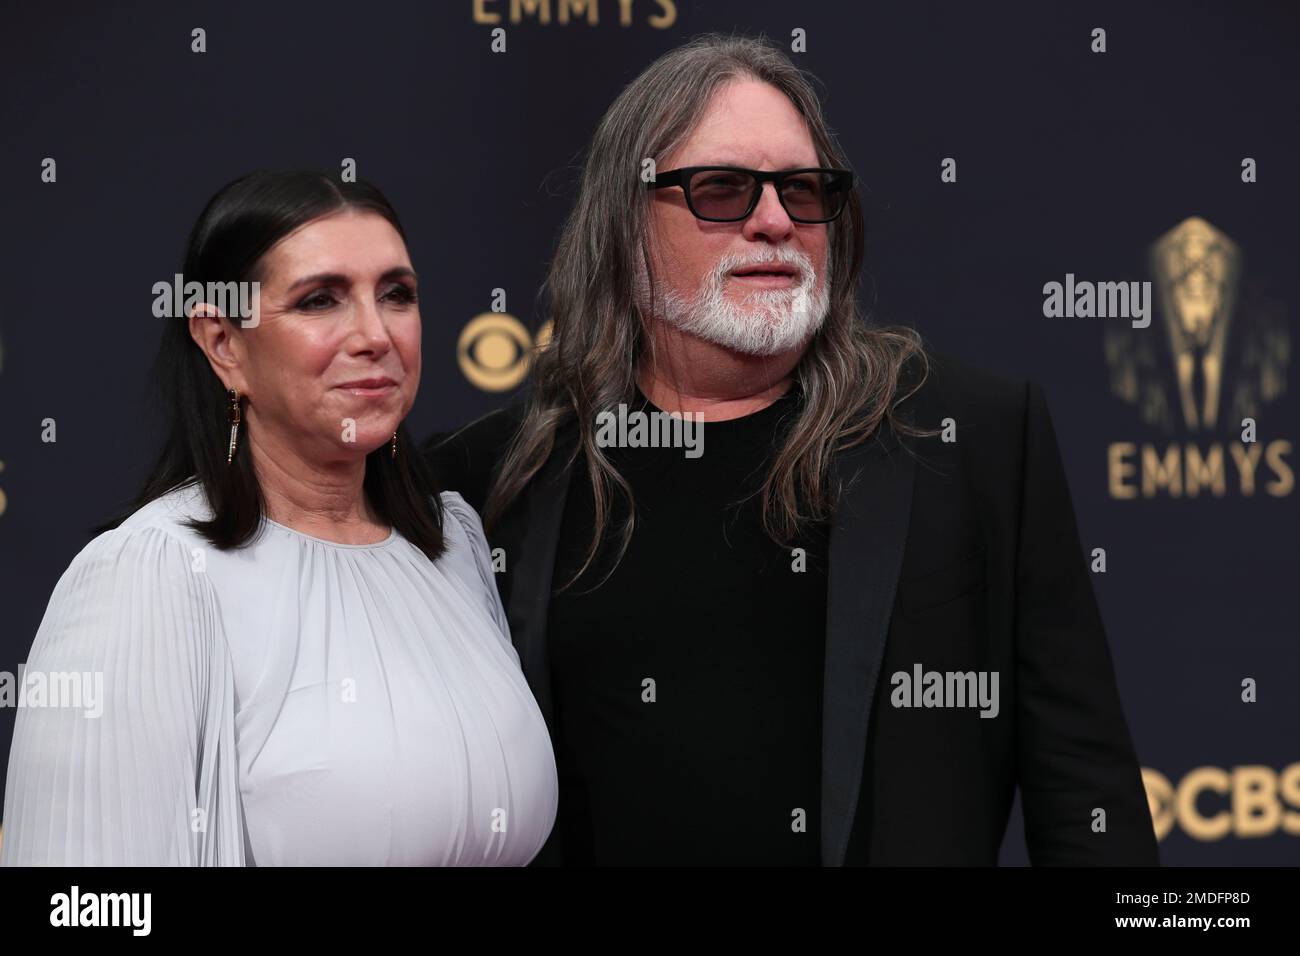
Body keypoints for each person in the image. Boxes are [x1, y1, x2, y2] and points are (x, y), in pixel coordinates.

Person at [425, 35, 1159, 866]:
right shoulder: (490, 478)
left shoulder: (971, 437)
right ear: (624, 226)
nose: (774, 220)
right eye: (722, 189)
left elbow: (1087, 790)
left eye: (803, 191)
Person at [0, 170, 557, 866]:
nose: (374, 334)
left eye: (397, 295)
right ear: (223, 344)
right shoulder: (152, 574)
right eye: (320, 299)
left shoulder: (452, 545)